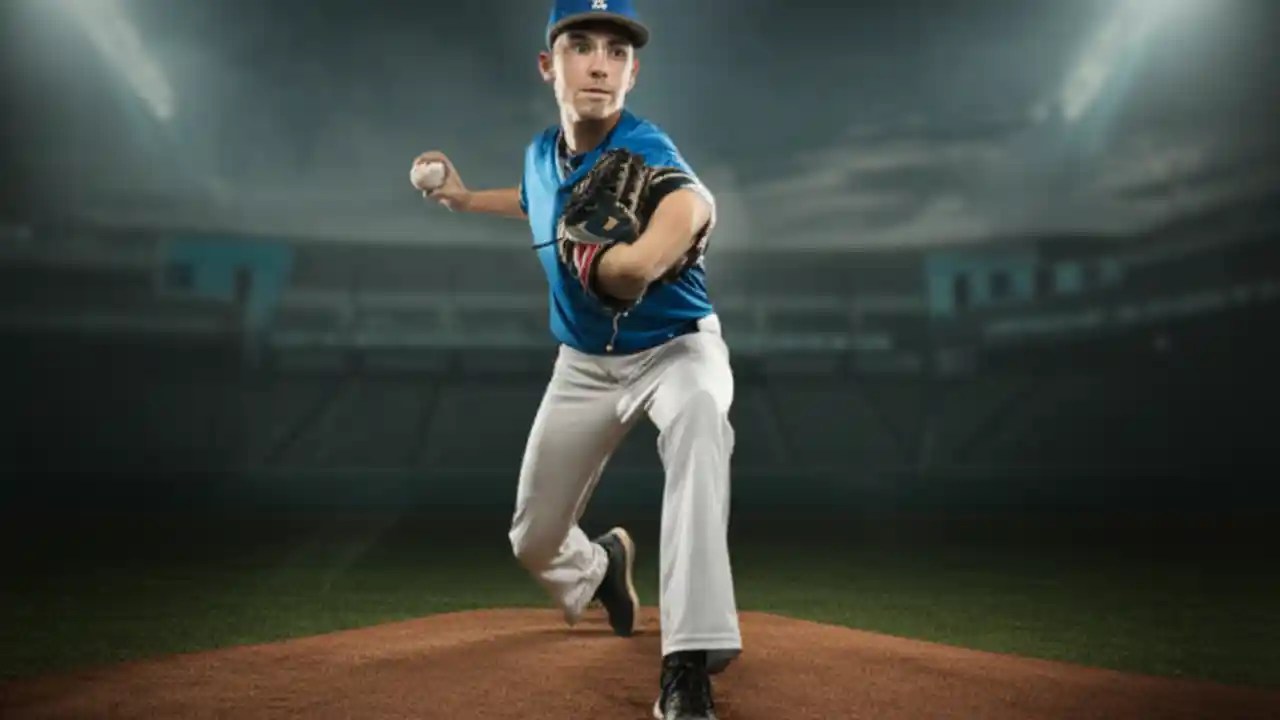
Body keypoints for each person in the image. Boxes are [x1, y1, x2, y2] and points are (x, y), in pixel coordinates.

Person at [411, 2, 738, 717]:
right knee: (532, 539)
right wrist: (464, 200)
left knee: (700, 418)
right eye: (581, 46)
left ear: (633, 71)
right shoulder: (540, 154)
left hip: (676, 348)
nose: (599, 63)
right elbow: (536, 201)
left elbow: (691, 203)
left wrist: (636, 260)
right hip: (584, 366)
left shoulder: (647, 150)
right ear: (547, 65)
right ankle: (598, 570)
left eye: (616, 52)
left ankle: (688, 662)